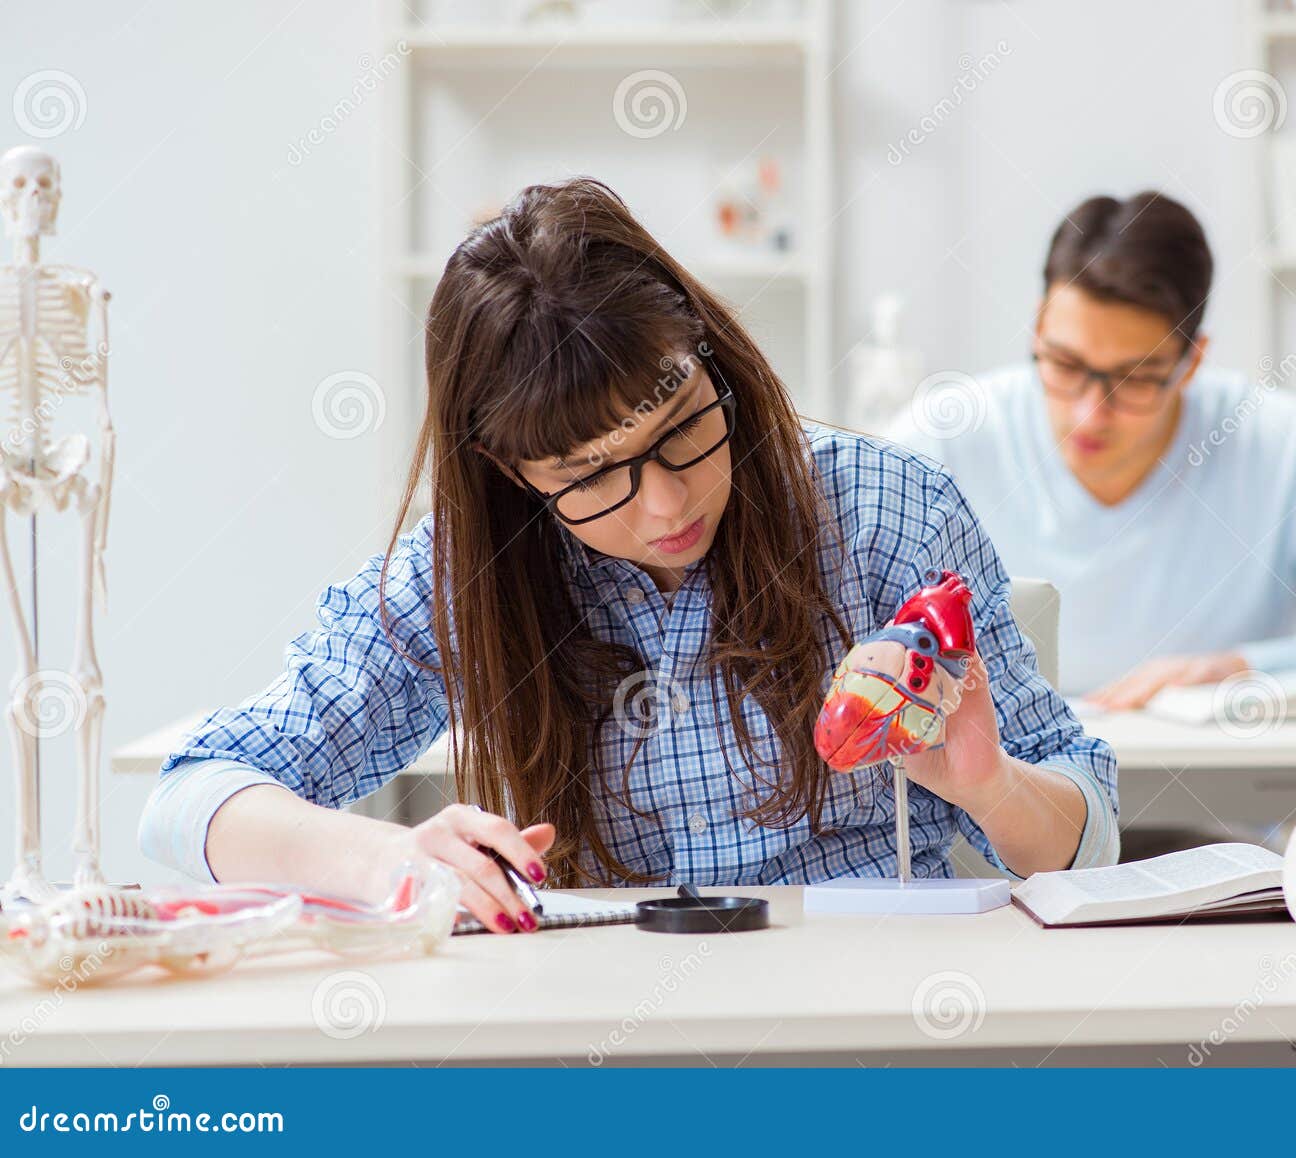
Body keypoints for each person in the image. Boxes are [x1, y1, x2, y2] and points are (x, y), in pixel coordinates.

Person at [138, 178, 1118, 934]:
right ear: (512, 473)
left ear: (711, 359)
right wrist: (385, 863)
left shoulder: (880, 511)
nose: (664, 505)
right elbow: (190, 800)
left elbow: (1087, 839)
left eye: (681, 426)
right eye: (589, 474)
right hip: (605, 1030)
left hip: (871, 1011)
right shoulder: (464, 573)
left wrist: (991, 788)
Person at [888, 192, 1296, 706]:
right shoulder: (944, 438)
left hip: (1213, 829)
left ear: (1192, 362)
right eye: (1066, 364)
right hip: (983, 842)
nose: (1090, 412)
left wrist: (1241, 666)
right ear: (1037, 327)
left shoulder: (1282, 448)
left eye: (1134, 379)